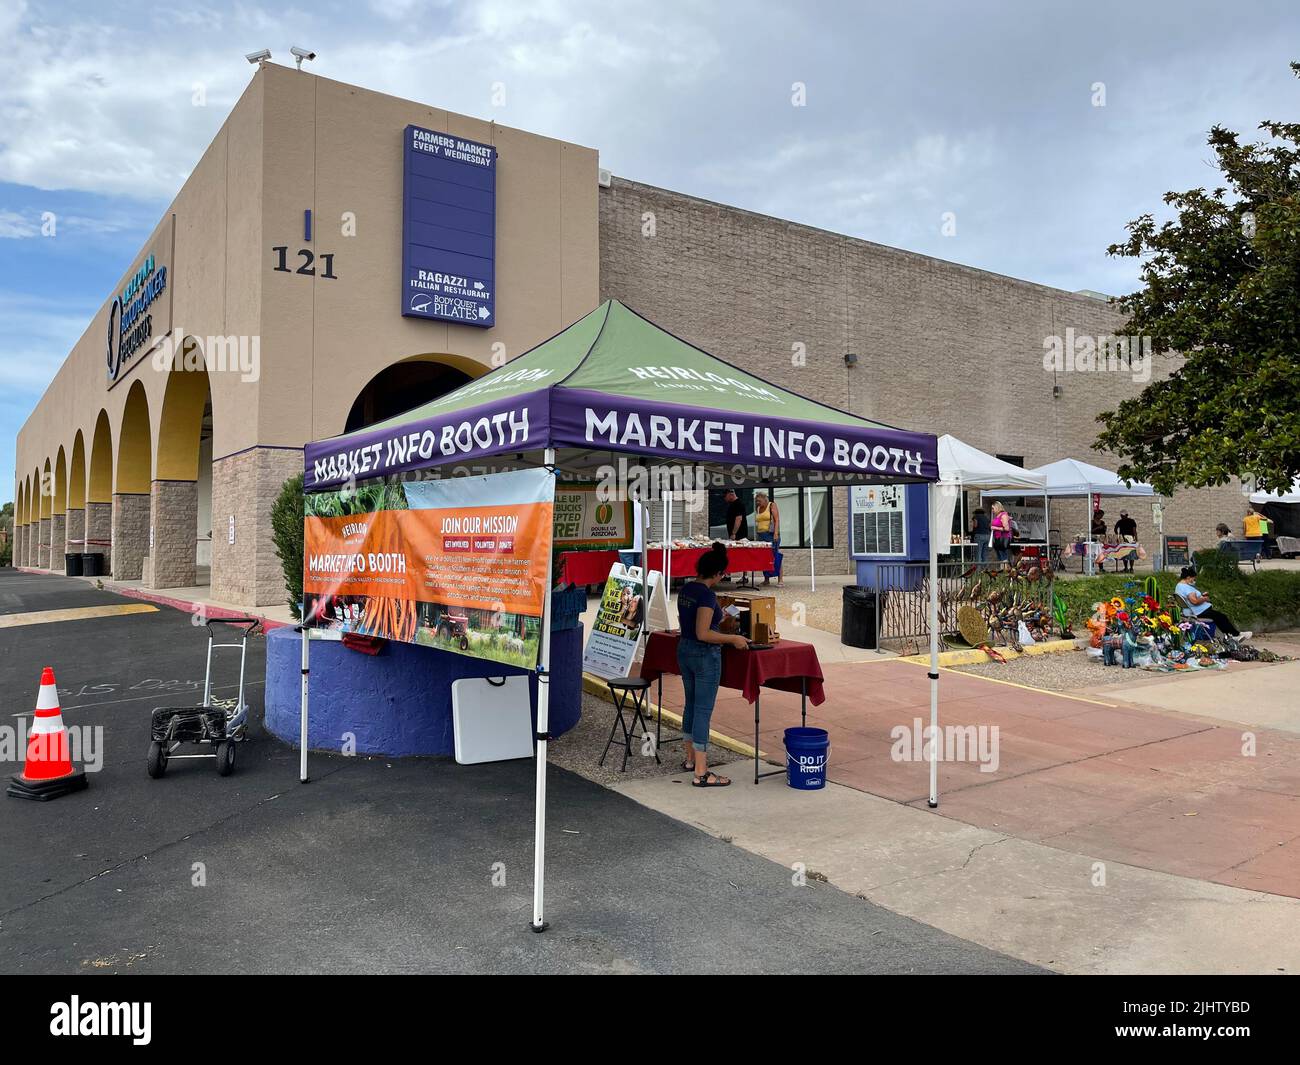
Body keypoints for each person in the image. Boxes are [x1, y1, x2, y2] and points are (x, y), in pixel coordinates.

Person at [676, 543, 749, 788]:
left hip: (684, 650)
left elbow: (692, 625)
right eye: (722, 574)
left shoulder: (687, 589)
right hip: (704, 655)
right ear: (717, 573)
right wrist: (733, 638)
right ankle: (701, 771)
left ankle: (690, 759)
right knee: (703, 711)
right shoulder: (707, 595)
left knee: (691, 705)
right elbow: (703, 633)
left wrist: (722, 619)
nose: (722, 578)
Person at [1174, 567, 1251, 641]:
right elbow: (1194, 601)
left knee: (1219, 617)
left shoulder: (1179, 586)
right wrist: (1205, 598)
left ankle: (1235, 634)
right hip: (1198, 612)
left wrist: (1201, 596)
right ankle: (1234, 635)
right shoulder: (1186, 587)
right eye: (1193, 578)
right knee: (1221, 617)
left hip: (1191, 611)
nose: (1194, 580)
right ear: (1188, 577)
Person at [754, 491, 783, 586]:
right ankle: (766, 579)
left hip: (770, 534)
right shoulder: (758, 508)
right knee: (764, 557)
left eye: (759, 500)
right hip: (761, 535)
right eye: (756, 501)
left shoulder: (771, 505)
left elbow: (777, 519)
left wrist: (775, 533)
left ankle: (780, 579)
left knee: (775, 555)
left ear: (764, 499)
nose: (758, 503)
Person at [989, 501, 1012, 567]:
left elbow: (1007, 528)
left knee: (1003, 556)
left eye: (993, 508)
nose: (992, 510)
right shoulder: (997, 516)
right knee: (1000, 556)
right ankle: (1003, 570)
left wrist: (995, 528)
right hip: (997, 538)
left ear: (997, 507)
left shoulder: (1003, 515)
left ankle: (1005, 570)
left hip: (1003, 538)